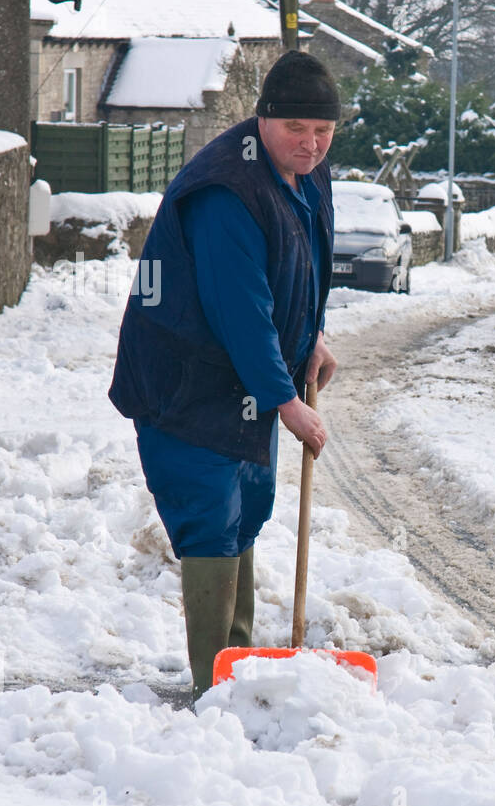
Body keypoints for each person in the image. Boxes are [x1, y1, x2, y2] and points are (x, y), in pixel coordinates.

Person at [108, 50, 340, 700]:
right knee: (209, 513)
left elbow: (298, 272)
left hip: (244, 384)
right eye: (296, 127)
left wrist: (312, 338)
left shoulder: (307, 176)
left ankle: (235, 666)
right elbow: (241, 308)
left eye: (323, 132)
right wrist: (285, 401)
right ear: (263, 119)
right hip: (186, 384)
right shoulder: (227, 191)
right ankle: (215, 681)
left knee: (247, 511)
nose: (311, 143)